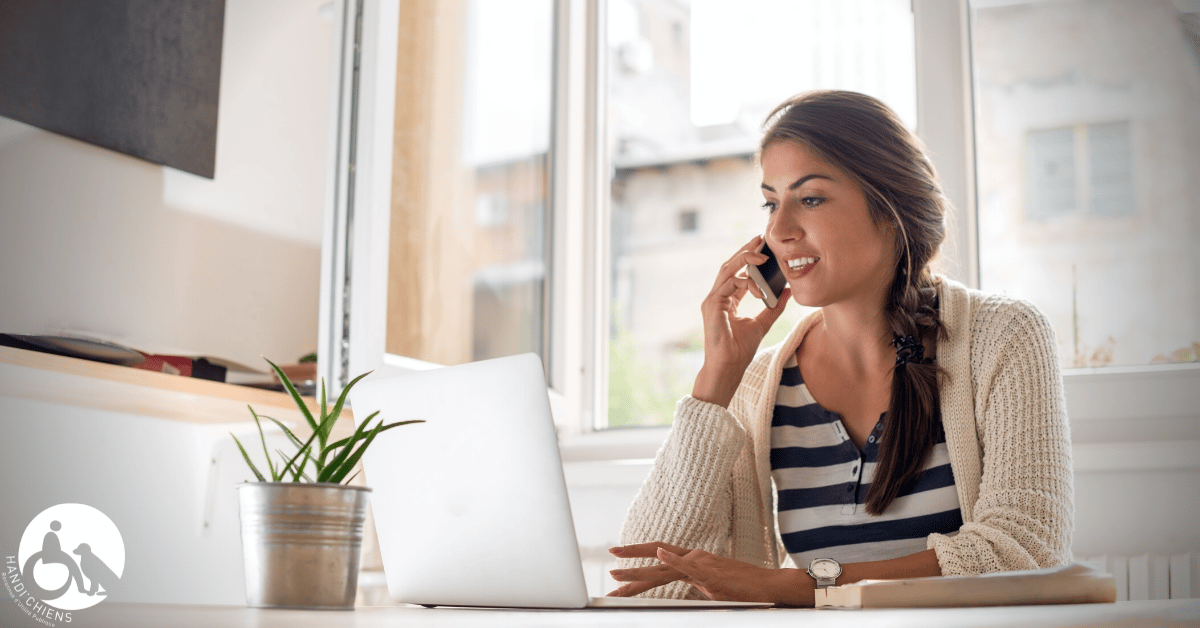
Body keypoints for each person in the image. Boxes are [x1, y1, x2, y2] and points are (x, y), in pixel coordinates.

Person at [606, 90, 1073, 607]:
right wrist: (717, 379)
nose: (778, 230)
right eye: (771, 203)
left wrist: (794, 586)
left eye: (810, 199)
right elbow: (646, 582)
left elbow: (1024, 550)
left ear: (890, 208)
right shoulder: (760, 387)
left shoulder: (1003, 337)